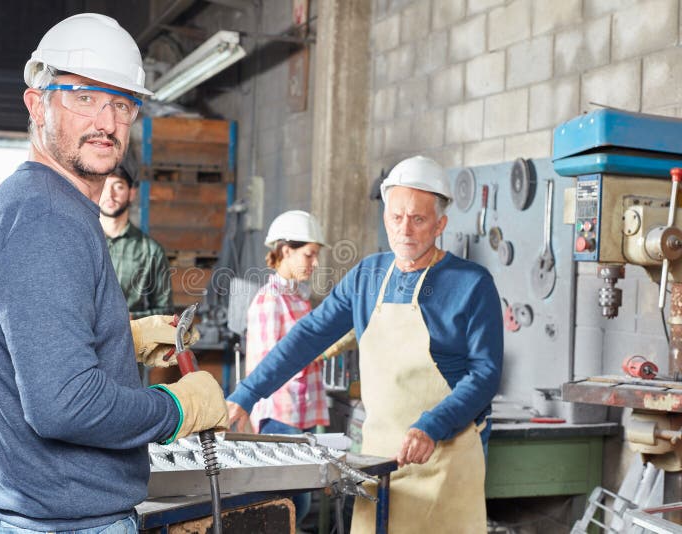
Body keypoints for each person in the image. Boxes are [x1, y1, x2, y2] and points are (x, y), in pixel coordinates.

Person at [0, 13, 227, 534]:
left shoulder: (38, 203)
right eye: (83, 97)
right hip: (58, 524)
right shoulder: (45, 217)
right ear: (37, 104)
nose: (106, 121)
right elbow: (63, 407)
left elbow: (23, 352)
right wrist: (176, 408)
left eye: (122, 103)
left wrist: (121, 340)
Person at [227, 156, 503, 533]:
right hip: (380, 457)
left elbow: (485, 373)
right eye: (395, 217)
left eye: (418, 219)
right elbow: (308, 337)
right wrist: (245, 395)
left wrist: (432, 426)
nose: (404, 230)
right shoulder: (368, 276)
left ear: (441, 224)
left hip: (446, 454)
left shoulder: (472, 283)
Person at [245, 210, 330, 526]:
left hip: (300, 415)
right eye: (309, 254)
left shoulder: (298, 298)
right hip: (279, 417)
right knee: (288, 508)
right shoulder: (270, 300)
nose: (315, 263)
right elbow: (272, 365)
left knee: (298, 507)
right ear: (285, 251)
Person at [100, 164, 173, 317]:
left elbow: (165, 312)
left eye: (118, 187)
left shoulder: (150, 251)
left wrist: (131, 318)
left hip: (128, 337)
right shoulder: (79, 242)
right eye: (103, 186)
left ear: (131, 193)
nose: (109, 194)